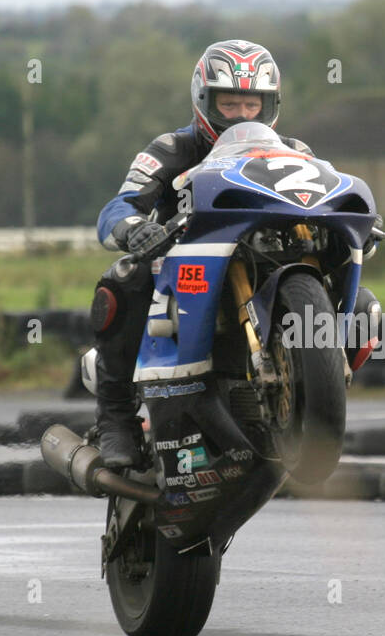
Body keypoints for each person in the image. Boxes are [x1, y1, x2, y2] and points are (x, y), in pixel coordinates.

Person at [89, 40, 315, 468]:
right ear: (203, 101)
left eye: (253, 105)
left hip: (266, 266)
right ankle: (115, 420)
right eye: (230, 104)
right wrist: (136, 231)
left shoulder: (296, 153)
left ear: (271, 107)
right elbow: (116, 207)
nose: (242, 115)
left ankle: (317, 390)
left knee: (360, 301)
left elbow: (320, 197)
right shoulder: (171, 149)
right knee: (125, 279)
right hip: (184, 271)